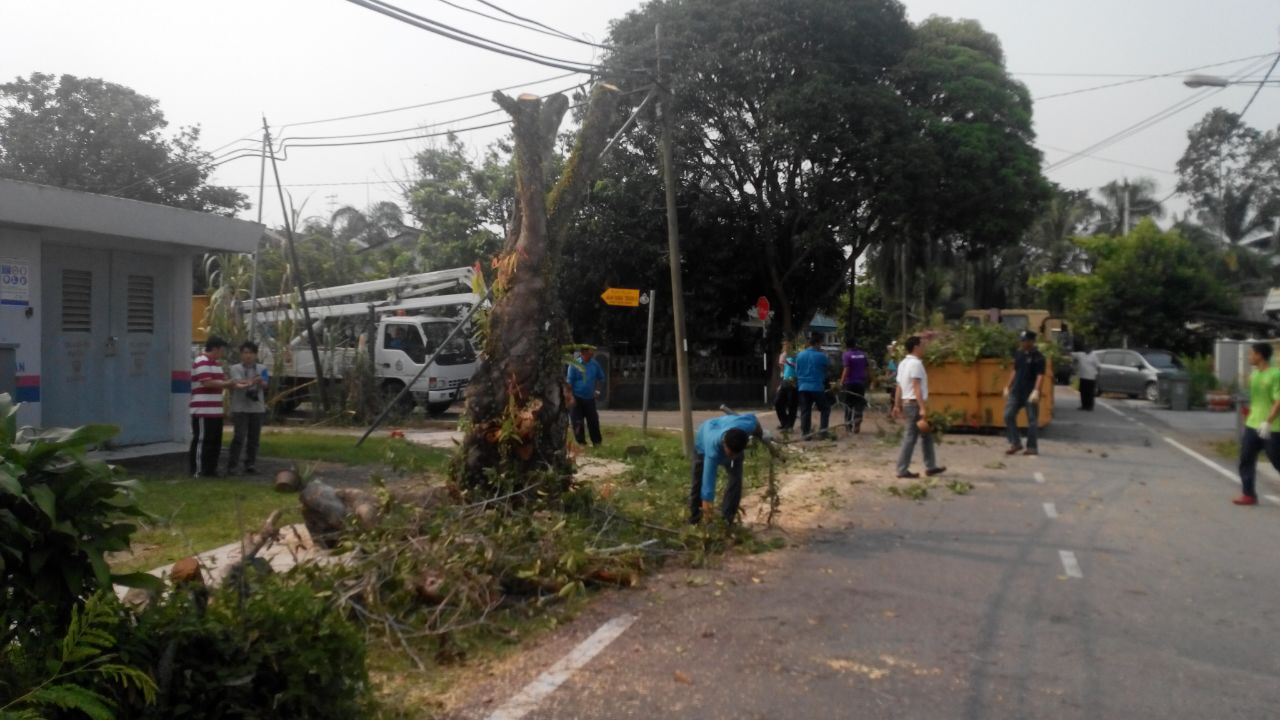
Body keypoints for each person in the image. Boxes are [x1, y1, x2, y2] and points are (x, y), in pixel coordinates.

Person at [689, 413, 764, 524]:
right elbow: (707, 490)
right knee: (698, 482)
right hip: (703, 442)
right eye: (731, 453)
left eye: (736, 453)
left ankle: (727, 521)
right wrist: (708, 525)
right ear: (724, 444)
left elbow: (754, 419)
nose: (733, 457)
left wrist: (760, 435)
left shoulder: (747, 425)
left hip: (727, 426)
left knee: (736, 481)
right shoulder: (712, 452)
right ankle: (695, 518)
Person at [893, 335, 945, 479]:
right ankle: (902, 469)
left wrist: (897, 404)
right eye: (922, 345)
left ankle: (931, 466)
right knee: (910, 437)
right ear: (916, 347)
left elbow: (899, 386)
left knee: (926, 434)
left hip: (907, 403)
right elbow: (916, 386)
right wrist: (922, 407)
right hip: (915, 405)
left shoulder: (903, 363)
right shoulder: (916, 364)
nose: (924, 348)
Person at [1235, 342, 1280, 506]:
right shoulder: (1254, 375)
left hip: (1273, 427)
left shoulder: (1276, 374)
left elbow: (1278, 401)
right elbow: (1256, 400)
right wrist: (1249, 414)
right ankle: (1248, 494)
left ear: (1260, 355)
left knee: (1277, 461)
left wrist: (1268, 422)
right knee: (1246, 458)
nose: (1249, 357)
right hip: (1253, 425)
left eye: (1251, 354)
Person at [189, 336, 236, 478]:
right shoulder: (201, 361)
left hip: (216, 408)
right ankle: (198, 470)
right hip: (202, 408)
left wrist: (235, 384)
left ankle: (211, 469)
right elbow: (207, 382)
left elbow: (220, 382)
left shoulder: (216, 364)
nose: (222, 353)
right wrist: (227, 384)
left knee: (215, 441)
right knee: (202, 440)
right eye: (221, 350)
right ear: (215, 348)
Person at [227, 340, 268, 475]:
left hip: (257, 408)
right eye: (245, 353)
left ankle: (250, 464)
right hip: (240, 408)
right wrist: (252, 381)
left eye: (251, 353)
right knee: (239, 437)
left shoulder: (262, 368)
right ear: (241, 354)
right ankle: (232, 465)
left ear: (255, 355)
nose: (248, 356)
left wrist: (260, 382)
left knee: (254, 439)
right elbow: (238, 382)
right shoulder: (235, 368)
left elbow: (265, 384)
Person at [1003, 330, 1046, 456]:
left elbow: (1040, 375)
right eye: (1022, 340)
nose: (1023, 342)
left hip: (1030, 392)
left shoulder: (1038, 357)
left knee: (1032, 420)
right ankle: (1015, 442)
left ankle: (1032, 447)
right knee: (1008, 415)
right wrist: (1007, 386)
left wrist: (1036, 391)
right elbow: (1015, 371)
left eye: (1025, 340)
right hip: (1016, 391)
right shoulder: (1019, 354)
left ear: (1032, 341)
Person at [565, 346, 606, 446]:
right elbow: (569, 382)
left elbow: (601, 378)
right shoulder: (574, 365)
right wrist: (570, 397)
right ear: (583, 353)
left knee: (593, 421)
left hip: (589, 398)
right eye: (589, 351)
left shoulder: (594, 364)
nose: (592, 353)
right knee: (577, 422)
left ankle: (597, 442)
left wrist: (597, 391)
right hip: (576, 397)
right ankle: (581, 443)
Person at [794, 333, 832, 440]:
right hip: (816, 387)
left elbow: (797, 371)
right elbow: (827, 370)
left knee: (805, 410)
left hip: (802, 387)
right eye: (820, 344)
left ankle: (806, 434)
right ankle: (823, 432)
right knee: (825, 408)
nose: (821, 346)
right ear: (816, 343)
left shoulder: (800, 355)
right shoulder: (821, 356)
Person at [839, 337, 869, 434]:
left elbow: (846, 369)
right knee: (859, 404)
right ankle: (857, 424)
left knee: (848, 405)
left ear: (846, 345)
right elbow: (867, 369)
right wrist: (869, 380)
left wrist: (841, 382)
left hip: (850, 383)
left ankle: (848, 426)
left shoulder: (846, 355)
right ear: (855, 344)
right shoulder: (862, 355)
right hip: (860, 383)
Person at [773, 340, 799, 432]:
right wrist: (781, 382)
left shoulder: (797, 355)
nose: (785, 347)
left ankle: (789, 426)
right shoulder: (784, 355)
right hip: (785, 380)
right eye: (784, 345)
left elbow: (798, 367)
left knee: (792, 404)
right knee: (778, 402)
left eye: (787, 345)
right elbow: (783, 370)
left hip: (794, 380)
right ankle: (784, 422)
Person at [1075, 346, 1099, 411]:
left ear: (1091, 349)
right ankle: (1084, 405)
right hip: (1082, 376)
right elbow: (1071, 354)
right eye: (1085, 348)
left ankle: (1090, 406)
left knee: (1090, 393)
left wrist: (1097, 375)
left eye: (1088, 348)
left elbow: (1098, 367)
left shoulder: (1094, 356)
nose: (1086, 349)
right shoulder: (1081, 354)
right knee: (1083, 392)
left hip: (1091, 377)